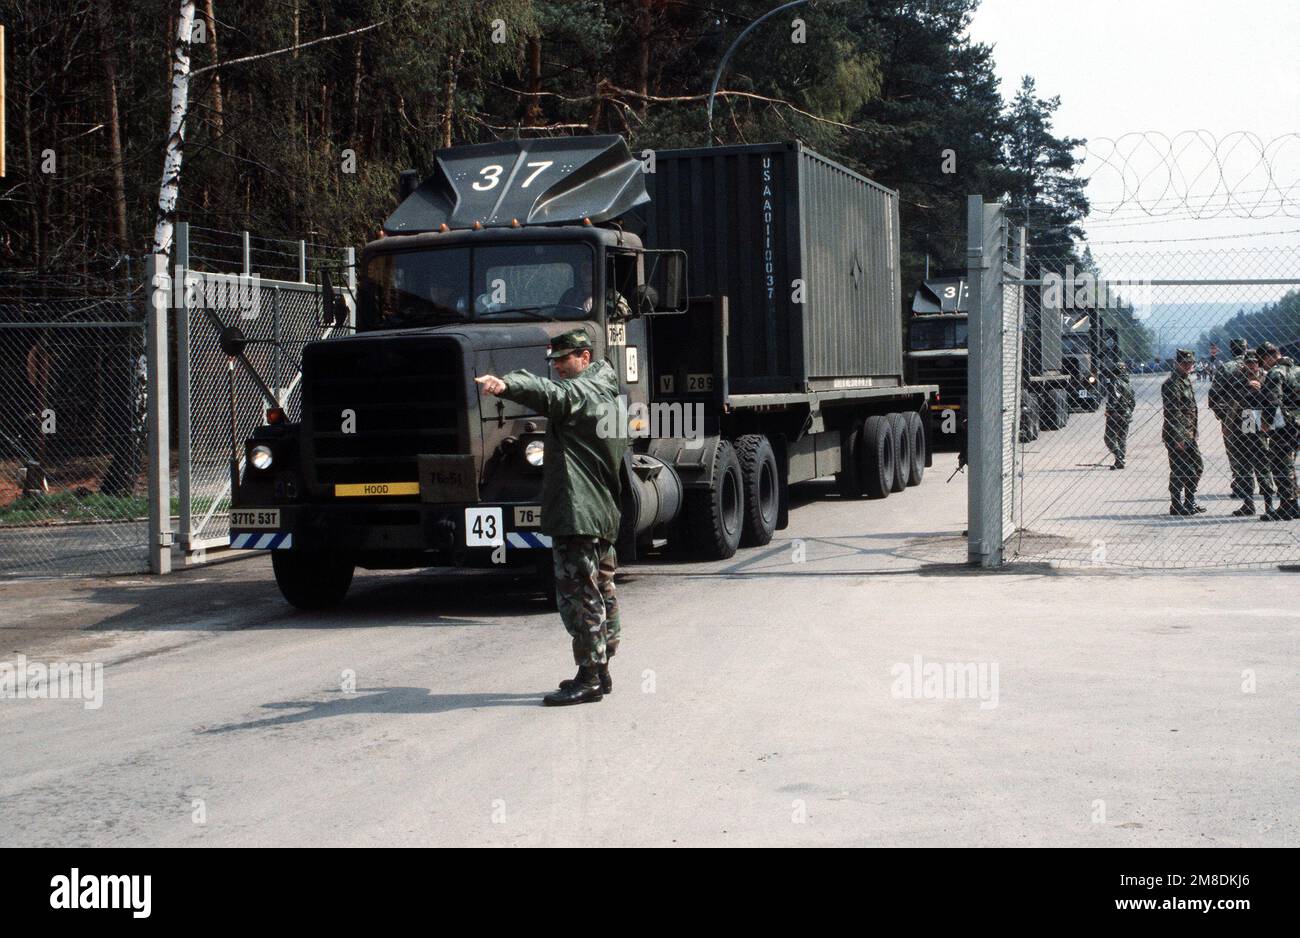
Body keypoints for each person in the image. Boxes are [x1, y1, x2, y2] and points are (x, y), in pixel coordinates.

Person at [474, 329, 628, 705]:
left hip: (579, 511)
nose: (558, 366)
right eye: (555, 361)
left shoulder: (584, 394)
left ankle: (590, 677)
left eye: (565, 359)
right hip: (599, 510)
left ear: (585, 357)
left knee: (580, 595)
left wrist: (505, 384)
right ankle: (599, 669)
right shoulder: (606, 392)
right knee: (602, 589)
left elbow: (551, 394)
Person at [1257, 341, 1300, 521]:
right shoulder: (1297, 370)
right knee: (1289, 464)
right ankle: (1294, 505)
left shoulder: (1276, 373)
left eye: (1262, 362)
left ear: (1268, 357)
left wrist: (1267, 422)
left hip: (1284, 426)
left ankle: (1286, 506)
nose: (1262, 367)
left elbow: (1273, 402)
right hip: (1298, 422)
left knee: (1280, 465)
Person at [1207, 338, 1249, 510]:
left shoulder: (1226, 368)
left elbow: (1214, 394)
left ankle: (1240, 483)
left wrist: (1222, 415)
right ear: (1245, 349)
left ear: (1232, 350)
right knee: (1254, 446)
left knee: (1235, 449)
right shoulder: (1253, 365)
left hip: (1232, 415)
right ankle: (1260, 482)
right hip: (1251, 414)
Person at [1162, 349, 1204, 516]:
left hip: (1189, 434)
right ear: (1177, 363)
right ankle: (1176, 504)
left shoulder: (1186, 382)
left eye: (1191, 363)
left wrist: (1194, 431)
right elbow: (1173, 413)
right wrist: (1179, 438)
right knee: (1179, 469)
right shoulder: (1172, 384)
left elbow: (1191, 411)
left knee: (1196, 467)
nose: (1188, 366)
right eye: (1185, 363)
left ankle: (1189, 500)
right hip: (1176, 435)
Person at [1234, 350, 1274, 516]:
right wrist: (1246, 385)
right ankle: (1248, 503)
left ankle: (1269, 504)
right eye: (1248, 362)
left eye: (1254, 362)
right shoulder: (1238, 378)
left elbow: (1274, 399)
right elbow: (1230, 395)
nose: (1252, 365)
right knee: (1244, 464)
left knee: (1262, 464)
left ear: (1259, 363)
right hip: (1246, 417)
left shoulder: (1268, 377)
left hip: (1262, 419)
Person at [1103, 361, 1135, 469]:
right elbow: (1133, 402)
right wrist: (1128, 411)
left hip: (1116, 414)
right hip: (1126, 415)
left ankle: (1119, 457)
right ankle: (1120, 460)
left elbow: (1114, 399)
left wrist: (1109, 410)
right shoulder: (1128, 384)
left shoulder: (1115, 382)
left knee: (1109, 438)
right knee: (1122, 438)